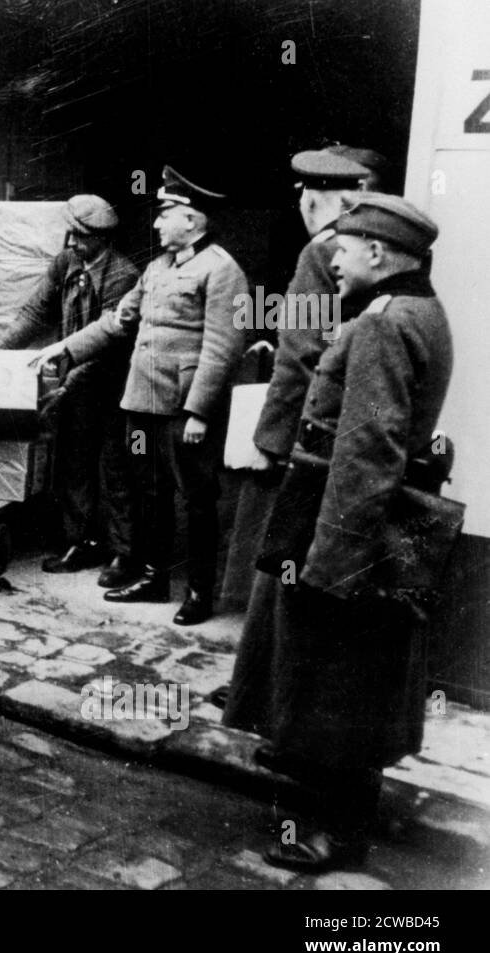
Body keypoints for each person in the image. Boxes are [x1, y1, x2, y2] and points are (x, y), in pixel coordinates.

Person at [223, 194, 452, 871]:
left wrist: (336, 563)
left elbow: (368, 451)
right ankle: (330, 808)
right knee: (351, 678)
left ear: (378, 253)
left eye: (345, 251)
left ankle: (329, 829)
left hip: (344, 521)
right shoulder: (422, 312)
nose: (336, 263)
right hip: (352, 515)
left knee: (333, 680)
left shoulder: (381, 324)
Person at [33, 167, 249, 625]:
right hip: (142, 404)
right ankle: (154, 579)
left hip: (183, 409)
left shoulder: (222, 270)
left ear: (191, 219)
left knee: (197, 500)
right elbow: (117, 322)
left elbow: (223, 347)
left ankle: (199, 591)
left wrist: (199, 412)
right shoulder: (155, 268)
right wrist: (63, 347)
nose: (155, 224)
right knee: (151, 494)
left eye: (165, 213)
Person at [219, 147, 387, 610]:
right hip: (351, 424)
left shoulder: (320, 251)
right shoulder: (376, 250)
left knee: (280, 555)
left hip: (306, 432)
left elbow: (300, 354)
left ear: (311, 201)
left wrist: (270, 440)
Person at [0, 195, 141, 587]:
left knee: (115, 468)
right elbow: (36, 312)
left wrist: (62, 386)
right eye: (70, 233)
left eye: (81, 237)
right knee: (73, 462)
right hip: (72, 380)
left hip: (113, 383)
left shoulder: (123, 275)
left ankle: (124, 553)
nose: (72, 242)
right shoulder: (65, 262)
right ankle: (81, 542)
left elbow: (109, 342)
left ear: (102, 239)